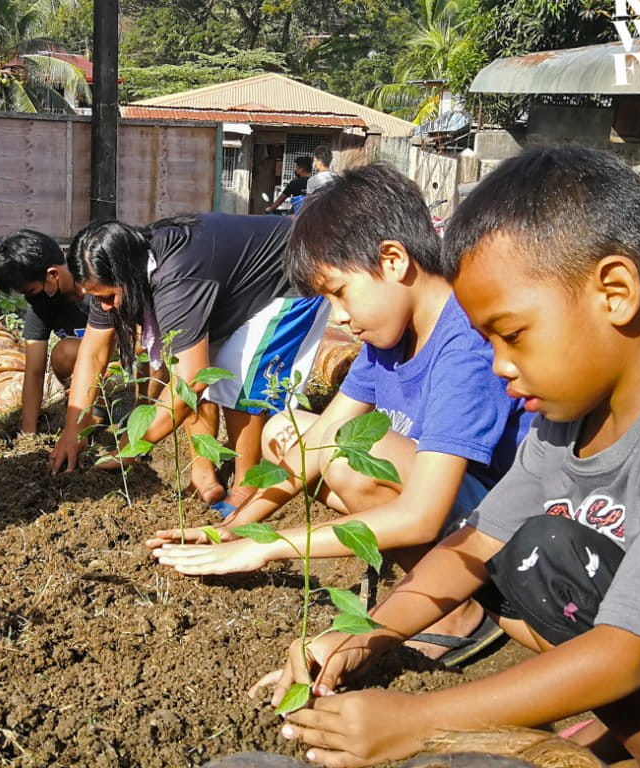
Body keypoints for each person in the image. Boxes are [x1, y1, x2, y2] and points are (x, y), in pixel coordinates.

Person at [246, 146, 640, 768]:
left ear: (614, 291)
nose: (498, 365)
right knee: (540, 555)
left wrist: (420, 721)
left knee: (552, 552)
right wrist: (359, 635)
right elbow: (477, 544)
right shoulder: (565, 421)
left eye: (511, 335)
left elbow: (627, 654)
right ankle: (624, 736)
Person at [148, 163, 531, 666]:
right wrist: (238, 529)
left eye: (340, 292)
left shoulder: (464, 343)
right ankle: (421, 579)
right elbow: (320, 437)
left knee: (353, 454)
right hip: (445, 498)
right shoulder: (387, 342)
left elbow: (423, 514)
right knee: (289, 433)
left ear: (393, 260)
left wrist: (269, 548)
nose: (339, 316)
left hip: (504, 534)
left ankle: (454, 610)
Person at [50, 213, 330, 516]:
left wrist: (131, 448)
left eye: (108, 298)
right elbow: (92, 354)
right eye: (96, 298)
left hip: (290, 275)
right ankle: (203, 473)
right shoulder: (111, 276)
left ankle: (247, 486)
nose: (104, 306)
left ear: (127, 276)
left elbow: (193, 379)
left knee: (241, 384)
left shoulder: (177, 280)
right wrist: (71, 430)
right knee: (190, 369)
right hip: (233, 289)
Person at [0, 230, 91, 433]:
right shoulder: (43, 305)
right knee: (65, 353)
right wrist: (29, 432)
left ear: (52, 275)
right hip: (88, 379)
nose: (31, 300)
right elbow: (34, 371)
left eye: (31, 292)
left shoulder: (97, 288)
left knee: (69, 350)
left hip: (121, 369)